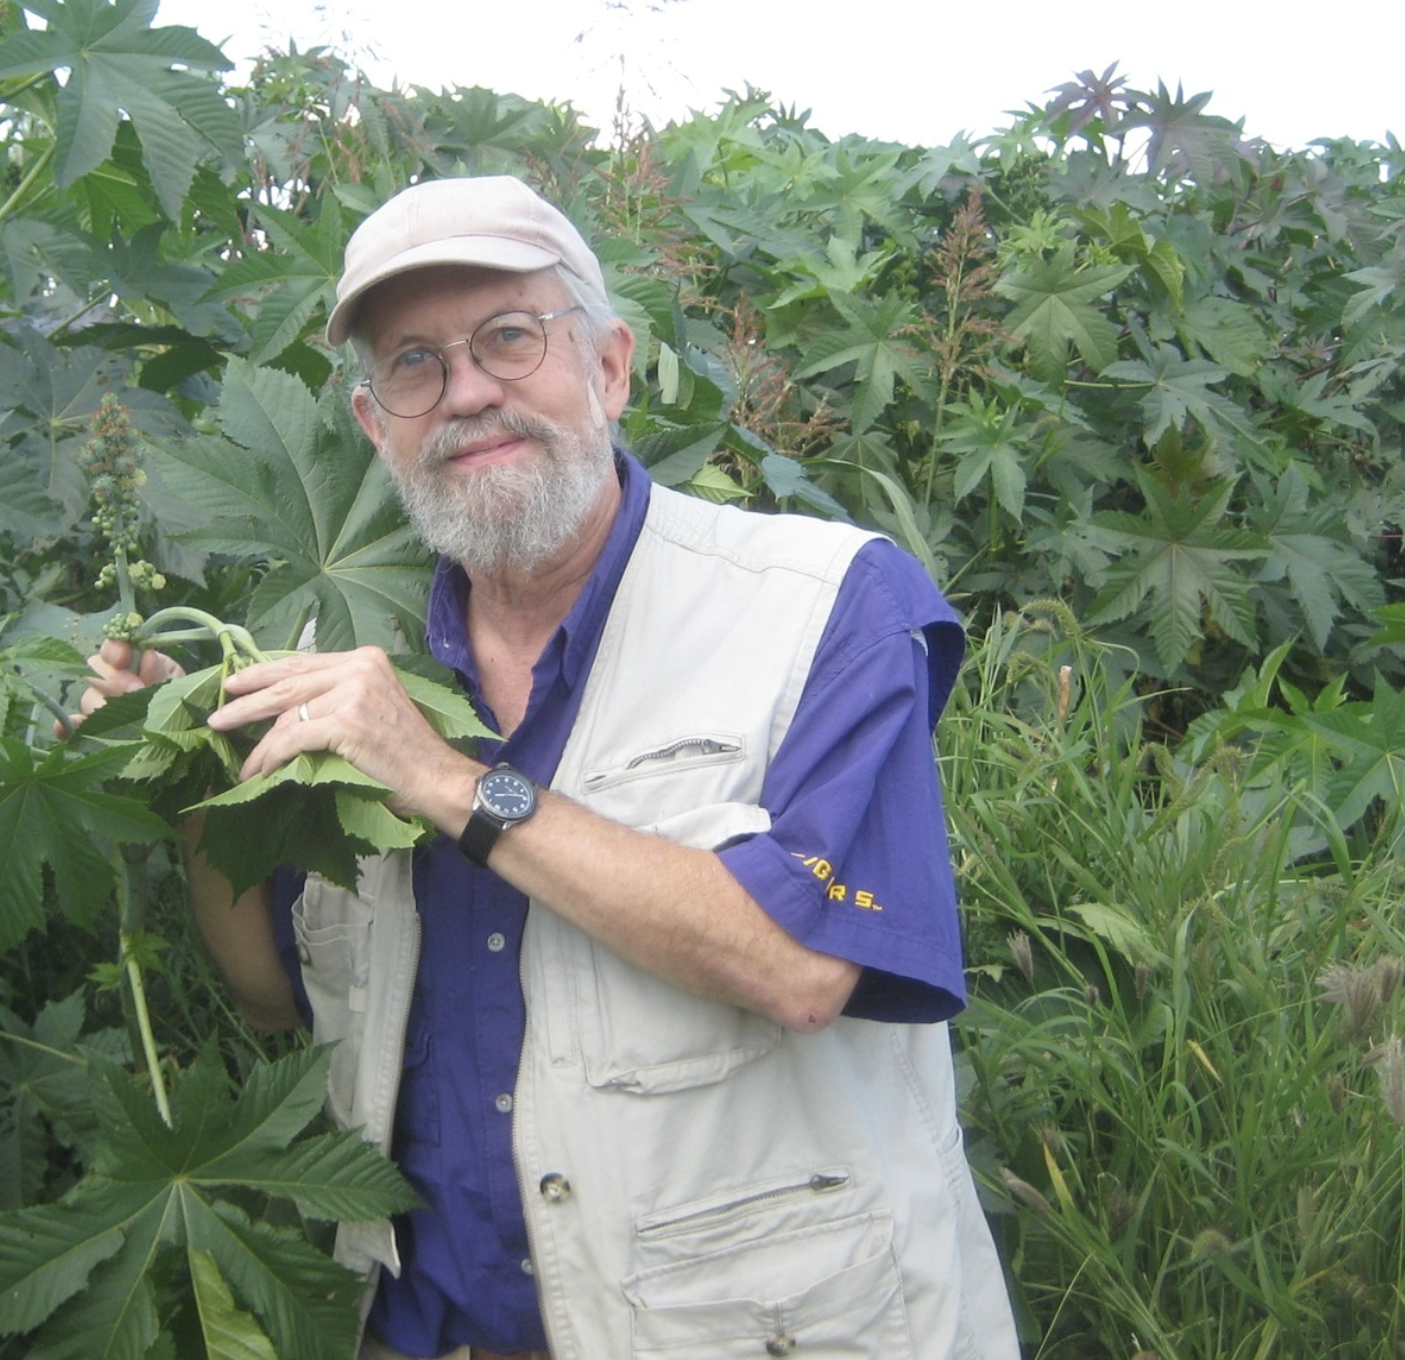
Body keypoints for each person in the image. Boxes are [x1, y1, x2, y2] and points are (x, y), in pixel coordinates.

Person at [84, 175, 1017, 1360]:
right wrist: (191, 780)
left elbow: (798, 966)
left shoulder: (830, 602)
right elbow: (276, 997)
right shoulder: (339, 673)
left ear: (610, 367)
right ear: (378, 428)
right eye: (413, 364)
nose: (466, 389)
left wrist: (449, 779)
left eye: (507, 338)